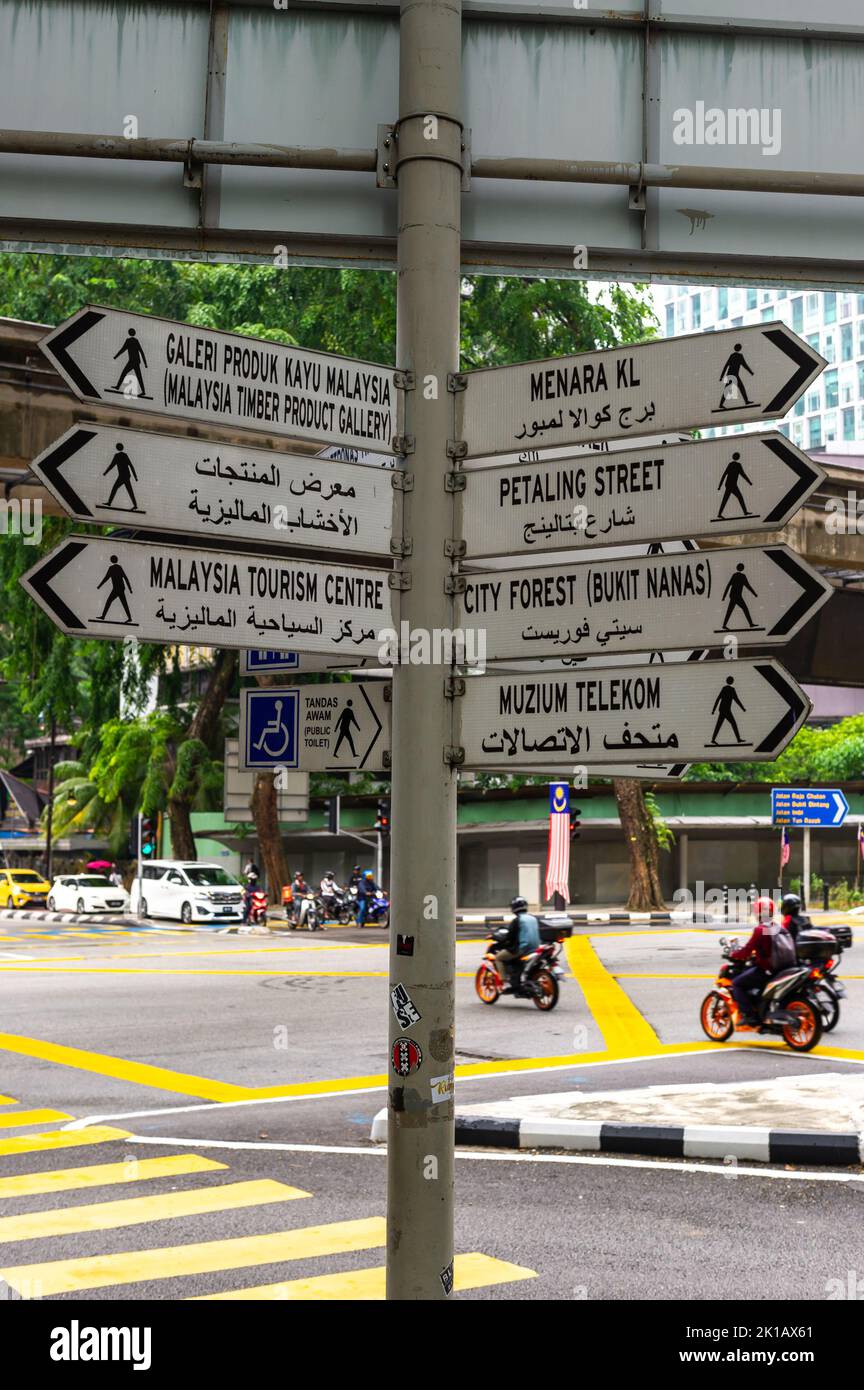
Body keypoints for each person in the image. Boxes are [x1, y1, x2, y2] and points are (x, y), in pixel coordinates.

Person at [729, 912, 795, 1025]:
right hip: (782, 968)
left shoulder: (760, 930)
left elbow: (747, 951)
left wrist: (734, 954)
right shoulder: (777, 927)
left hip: (766, 970)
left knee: (737, 983)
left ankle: (749, 1015)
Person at [496, 896, 541, 990]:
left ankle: (505, 983)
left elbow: (510, 937)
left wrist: (502, 940)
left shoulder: (517, 920)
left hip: (523, 949)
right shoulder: (533, 918)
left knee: (498, 958)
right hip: (535, 949)